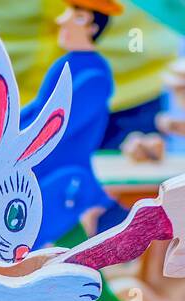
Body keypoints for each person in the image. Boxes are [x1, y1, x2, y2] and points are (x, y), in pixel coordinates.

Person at [20, 0, 124, 247]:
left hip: (63, 176)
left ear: (93, 28)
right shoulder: (66, 65)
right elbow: (37, 110)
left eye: (76, 16)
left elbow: (56, 125)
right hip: (36, 170)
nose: (61, 20)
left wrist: (20, 140)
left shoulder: (94, 77)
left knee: (25, 235)